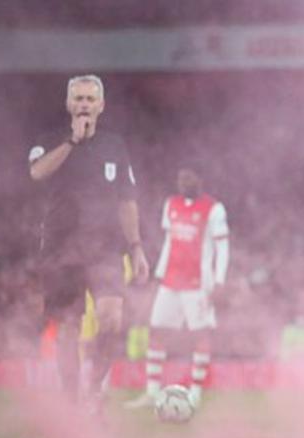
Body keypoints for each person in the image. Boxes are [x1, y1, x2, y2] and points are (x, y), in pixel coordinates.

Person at [28, 74, 149, 408]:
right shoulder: (50, 139)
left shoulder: (115, 146)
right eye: (78, 99)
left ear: (101, 105)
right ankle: (72, 404)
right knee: (68, 327)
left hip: (106, 249)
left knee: (112, 318)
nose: (83, 104)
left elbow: (127, 199)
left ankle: (94, 387)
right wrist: (71, 141)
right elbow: (37, 172)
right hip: (60, 249)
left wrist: (136, 247)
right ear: (69, 104)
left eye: (89, 99)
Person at [124, 167, 229, 409]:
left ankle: (195, 393)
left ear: (200, 179)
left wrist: (220, 281)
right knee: (157, 331)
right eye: (180, 178)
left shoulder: (213, 208)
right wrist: (159, 275)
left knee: (201, 335)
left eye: (189, 177)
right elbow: (170, 242)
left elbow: (222, 247)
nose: (183, 182)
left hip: (198, 285)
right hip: (171, 280)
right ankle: (151, 392)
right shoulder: (171, 204)